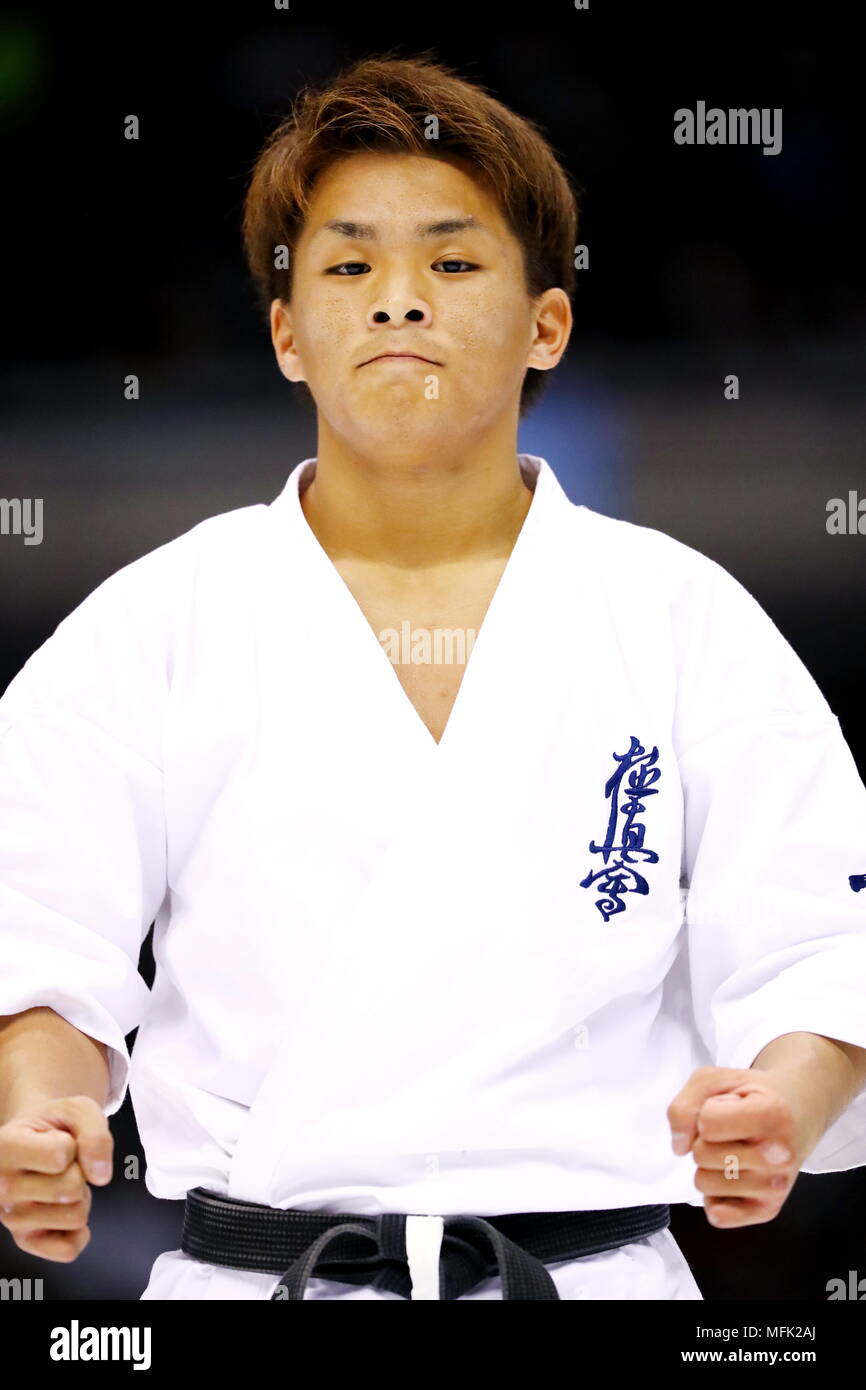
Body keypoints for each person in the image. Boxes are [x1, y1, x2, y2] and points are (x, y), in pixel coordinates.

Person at [1, 53, 866, 1302]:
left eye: (452, 264)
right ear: (288, 334)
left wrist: (776, 1103)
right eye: (349, 266)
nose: (398, 302)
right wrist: (43, 1109)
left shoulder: (682, 618)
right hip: (256, 1278)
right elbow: (39, 938)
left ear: (545, 324)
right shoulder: (152, 625)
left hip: (593, 1274)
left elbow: (817, 946)